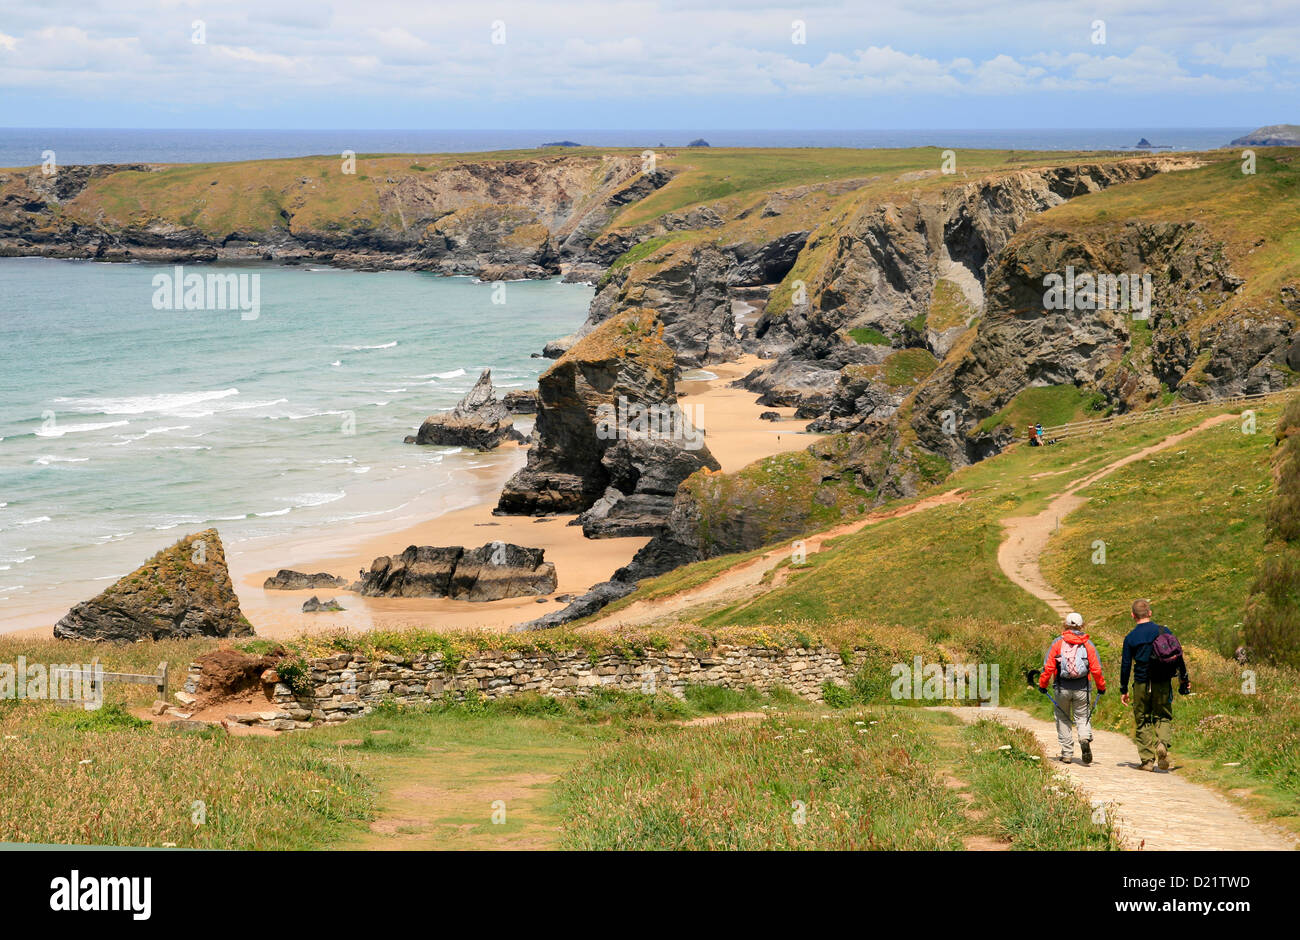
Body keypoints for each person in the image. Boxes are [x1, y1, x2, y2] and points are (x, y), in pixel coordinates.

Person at [1120, 599, 1190, 771]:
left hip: (1141, 682)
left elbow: (1126, 665)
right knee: (1163, 716)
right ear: (1149, 613)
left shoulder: (1131, 637)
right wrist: (1184, 678)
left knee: (1142, 719)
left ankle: (1147, 761)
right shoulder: (1163, 631)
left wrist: (1123, 689)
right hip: (1163, 681)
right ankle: (1162, 745)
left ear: (1133, 615)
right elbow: (1178, 655)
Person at [1038, 611, 1106, 764]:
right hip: (1083, 687)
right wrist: (1101, 687)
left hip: (1061, 688)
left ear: (1065, 625)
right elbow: (1096, 669)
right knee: (1082, 717)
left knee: (1062, 718)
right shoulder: (1088, 644)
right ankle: (1084, 737)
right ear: (1082, 625)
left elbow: (1048, 667)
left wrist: (1042, 685)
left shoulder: (1057, 643)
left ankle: (1067, 753)